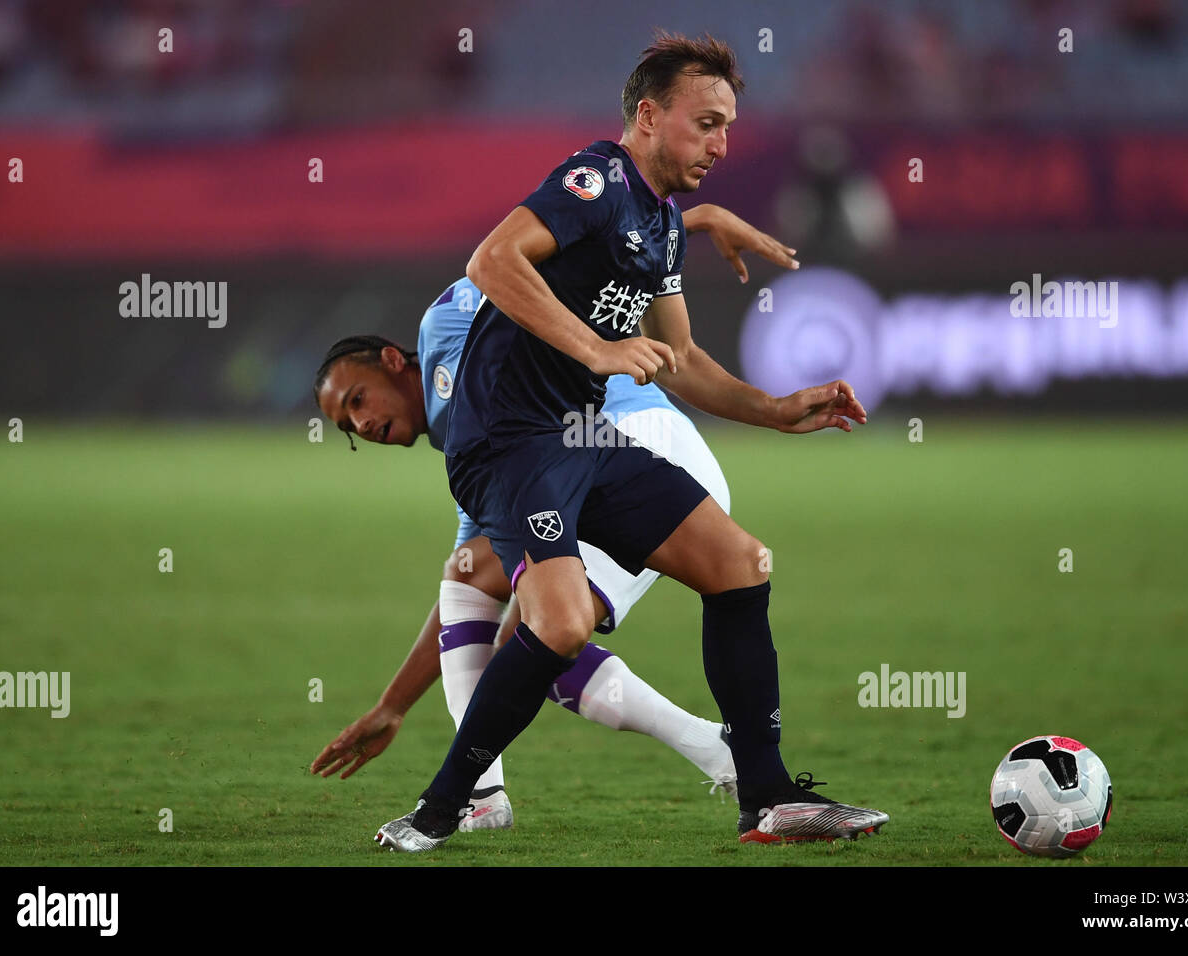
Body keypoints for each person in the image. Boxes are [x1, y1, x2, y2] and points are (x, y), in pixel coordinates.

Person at [381, 31, 888, 852]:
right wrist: (598, 349)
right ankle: (439, 810)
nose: (721, 144)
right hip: (508, 445)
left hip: (580, 436)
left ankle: (766, 798)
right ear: (648, 116)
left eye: (727, 127)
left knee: (739, 563)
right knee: (563, 623)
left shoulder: (655, 222)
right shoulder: (595, 180)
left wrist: (775, 408)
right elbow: (492, 260)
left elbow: (681, 358)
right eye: (706, 123)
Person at [310, 202, 801, 832]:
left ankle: (478, 796)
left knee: (540, 631)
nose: (360, 423)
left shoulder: (444, 327)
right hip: (589, 457)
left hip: (629, 442)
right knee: (488, 595)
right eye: (345, 426)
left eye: (355, 400)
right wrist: (392, 707)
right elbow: (473, 589)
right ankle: (491, 792)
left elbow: (552, 254)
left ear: (392, 361)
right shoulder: (469, 442)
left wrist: (689, 220)